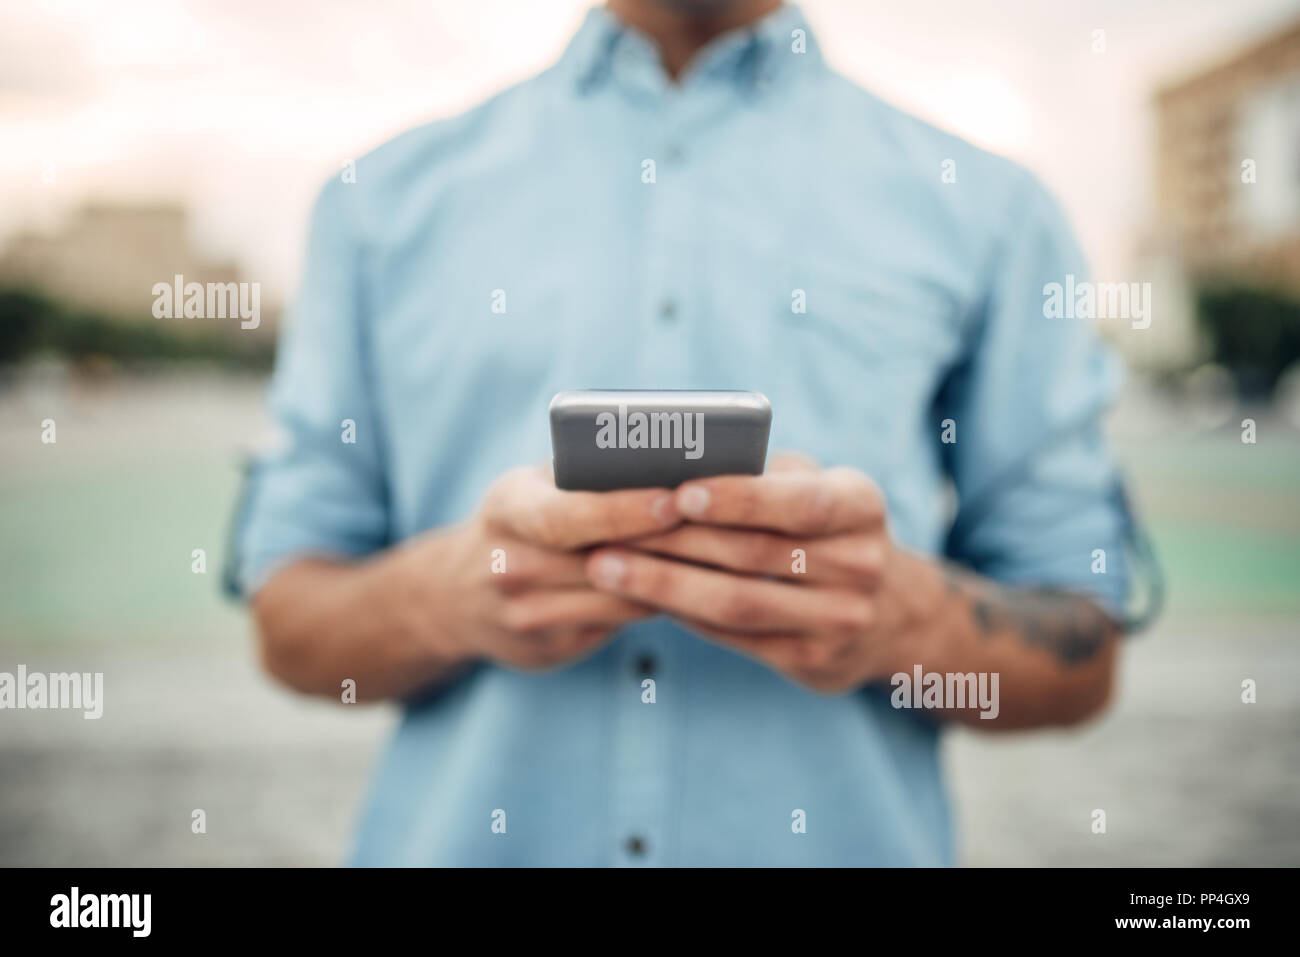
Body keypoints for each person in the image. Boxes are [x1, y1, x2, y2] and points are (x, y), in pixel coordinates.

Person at [229, 0, 1156, 866]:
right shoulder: (376, 204)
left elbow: (1081, 659)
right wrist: (458, 595)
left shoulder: (992, 211)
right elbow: (290, 625)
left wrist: (898, 620)